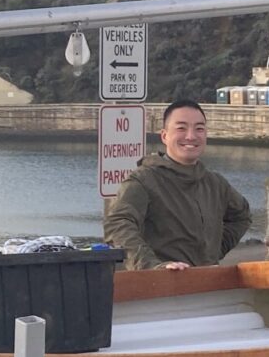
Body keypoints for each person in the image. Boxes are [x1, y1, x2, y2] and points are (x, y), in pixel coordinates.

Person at [103, 100, 251, 270]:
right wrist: (153, 266)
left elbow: (242, 216)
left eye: (199, 129)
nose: (191, 136)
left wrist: (214, 250)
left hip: (206, 280)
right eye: (181, 128)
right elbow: (117, 224)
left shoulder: (215, 184)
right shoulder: (144, 180)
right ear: (164, 136)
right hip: (161, 282)